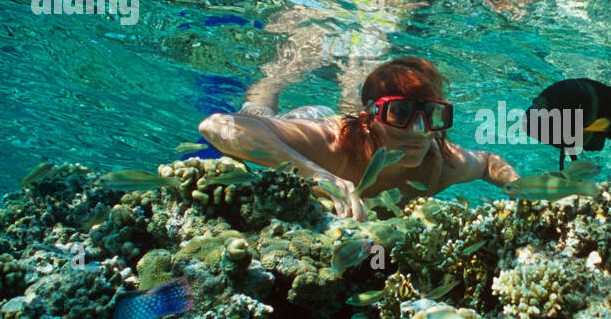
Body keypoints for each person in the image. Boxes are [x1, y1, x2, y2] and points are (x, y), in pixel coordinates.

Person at [198, 57, 519, 219]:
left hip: (362, 126)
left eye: (433, 116)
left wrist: (520, 191)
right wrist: (315, 173)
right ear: (373, 116)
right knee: (258, 112)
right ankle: (279, 73)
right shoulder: (332, 144)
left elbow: (489, 161)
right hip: (310, 121)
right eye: (400, 113)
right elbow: (217, 125)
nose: (418, 131)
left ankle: (359, 67)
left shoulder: (441, 164)